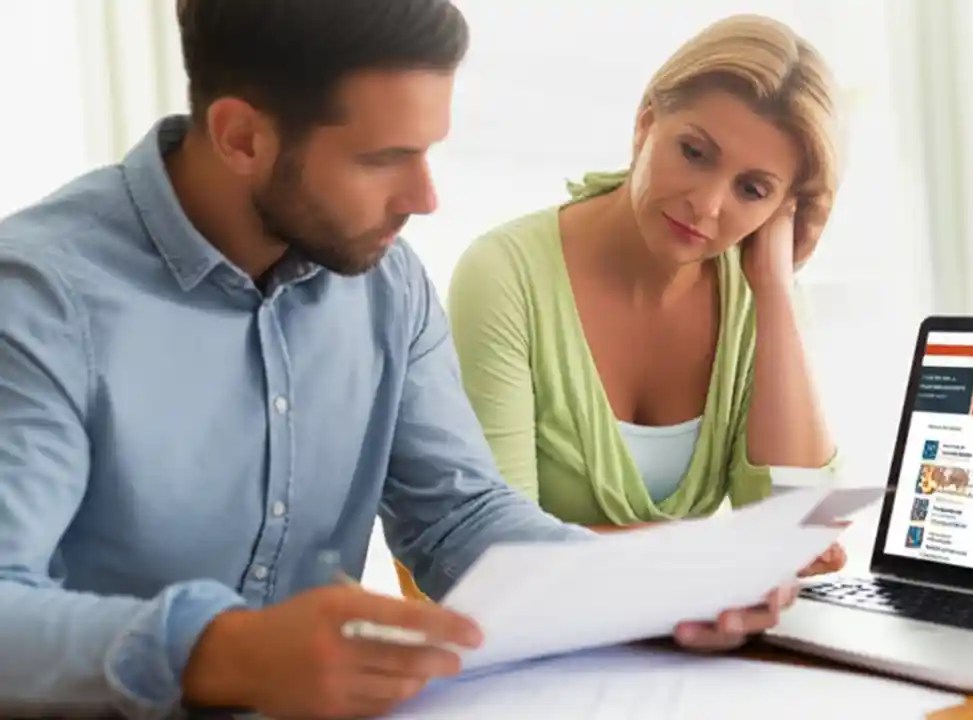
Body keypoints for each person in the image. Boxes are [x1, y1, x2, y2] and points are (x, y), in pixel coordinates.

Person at [0, 2, 797, 718]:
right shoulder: (41, 296)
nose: (424, 197)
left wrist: (654, 592)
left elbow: (458, 516)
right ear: (242, 137)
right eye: (383, 158)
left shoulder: (384, 279)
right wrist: (223, 652)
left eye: (429, 150)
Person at [395, 15, 848, 602]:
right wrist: (714, 555)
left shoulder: (754, 295)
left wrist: (777, 294)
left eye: (753, 190)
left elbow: (795, 528)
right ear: (645, 125)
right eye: (694, 152)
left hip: (689, 643)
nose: (707, 204)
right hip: (529, 656)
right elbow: (493, 554)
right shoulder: (506, 275)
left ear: (783, 211)